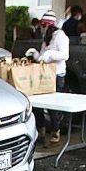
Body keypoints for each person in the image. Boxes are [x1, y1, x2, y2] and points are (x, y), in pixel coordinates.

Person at [26, 11, 70, 145]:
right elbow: (42, 57)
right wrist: (35, 54)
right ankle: (41, 130)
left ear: (50, 25)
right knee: (38, 103)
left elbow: (64, 55)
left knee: (52, 105)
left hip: (57, 74)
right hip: (44, 74)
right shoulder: (46, 36)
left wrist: (51, 54)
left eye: (44, 25)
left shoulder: (60, 36)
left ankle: (56, 131)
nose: (42, 27)